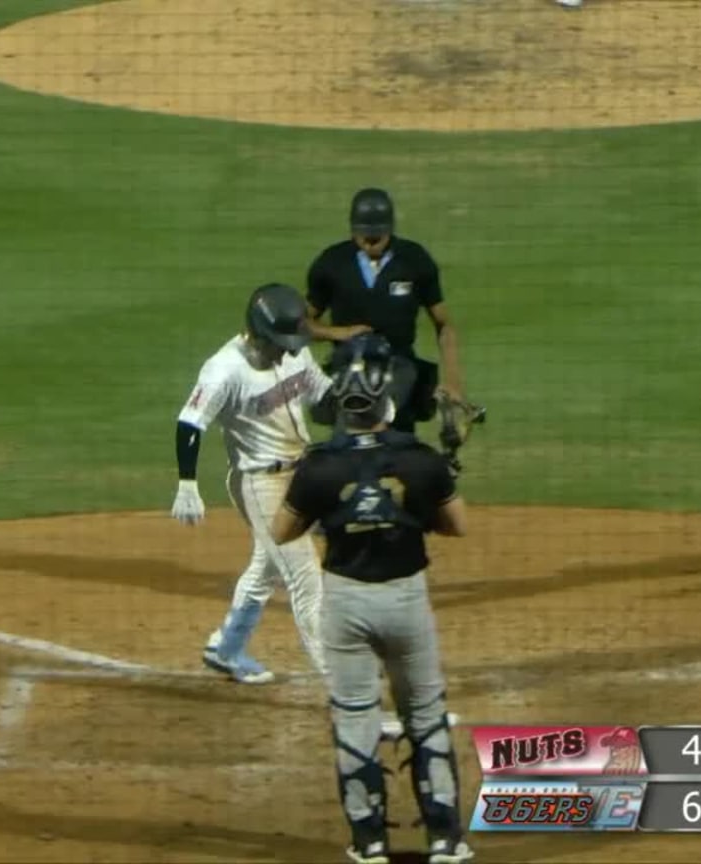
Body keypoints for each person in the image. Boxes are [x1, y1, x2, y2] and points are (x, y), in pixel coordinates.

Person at [270, 333, 475, 864]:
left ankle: (371, 842)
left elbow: (282, 532)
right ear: (388, 402)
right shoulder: (421, 460)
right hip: (406, 602)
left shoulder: (319, 466)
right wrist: (427, 495)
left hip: (345, 605)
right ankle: (446, 840)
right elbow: (457, 526)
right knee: (426, 716)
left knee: (356, 717)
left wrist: (333, 510)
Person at [169, 282, 335, 684]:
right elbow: (190, 422)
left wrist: (364, 401)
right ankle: (348, 691)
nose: (290, 349)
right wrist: (187, 483)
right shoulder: (225, 369)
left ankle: (226, 648)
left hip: (304, 474)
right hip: (262, 485)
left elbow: (323, 399)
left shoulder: (295, 352)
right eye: (282, 342)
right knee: (306, 580)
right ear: (258, 334)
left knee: (267, 565)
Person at [305, 188, 467, 435]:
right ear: (353, 229)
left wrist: (453, 383)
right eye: (364, 236)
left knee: (396, 444)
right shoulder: (332, 264)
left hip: (398, 366)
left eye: (377, 236)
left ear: (390, 229)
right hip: (348, 368)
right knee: (347, 447)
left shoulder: (414, 260)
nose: (370, 242)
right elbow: (301, 324)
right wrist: (340, 333)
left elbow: (444, 325)